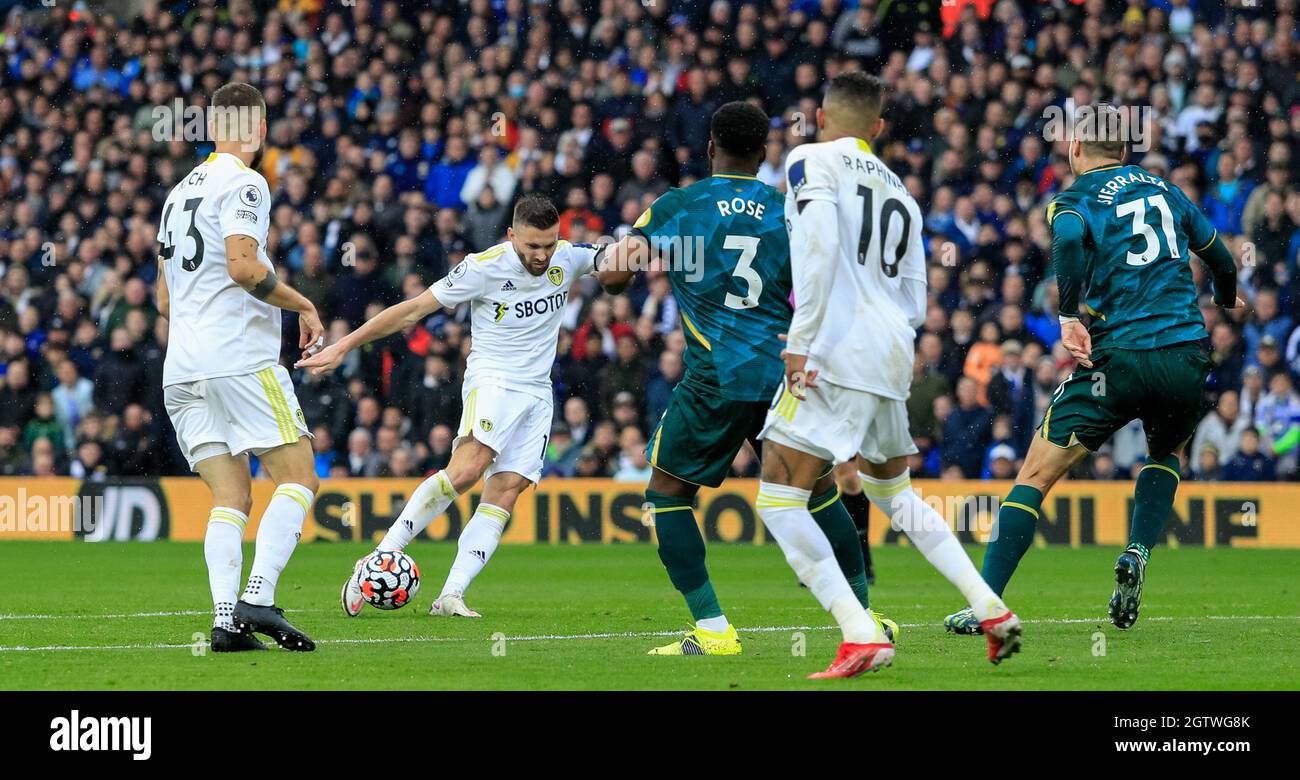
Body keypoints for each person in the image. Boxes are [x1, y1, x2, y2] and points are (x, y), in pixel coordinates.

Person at [599, 101, 892, 657]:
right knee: (819, 491)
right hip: (784, 375)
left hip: (715, 377)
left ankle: (712, 630)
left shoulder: (677, 206)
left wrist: (622, 256)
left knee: (666, 495)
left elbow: (615, 277)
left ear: (709, 149)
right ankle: (864, 620)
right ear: (764, 154)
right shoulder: (791, 209)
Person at [756, 72, 1021, 678]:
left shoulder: (809, 159)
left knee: (777, 495)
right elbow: (916, 293)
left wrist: (803, 342)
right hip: (891, 352)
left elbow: (818, 247)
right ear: (877, 128)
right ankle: (991, 607)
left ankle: (859, 632)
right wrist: (891, 346)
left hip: (833, 349)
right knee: (895, 494)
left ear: (821, 119)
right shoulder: (902, 190)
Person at [945, 127, 1244, 635]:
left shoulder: (1075, 197)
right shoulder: (1167, 189)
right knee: (1167, 452)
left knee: (1035, 476)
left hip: (1119, 357)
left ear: (1075, 149)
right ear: (1125, 152)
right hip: (1184, 354)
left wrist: (1066, 314)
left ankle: (987, 603)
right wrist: (1223, 294)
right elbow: (1221, 258)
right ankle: (1137, 549)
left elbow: (1064, 238)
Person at [301, 195, 621, 618]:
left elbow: (614, 259)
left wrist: (638, 242)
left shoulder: (570, 257)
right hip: (494, 379)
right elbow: (412, 310)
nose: (542, 255)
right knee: (469, 468)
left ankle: (450, 595)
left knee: (506, 491)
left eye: (548, 244)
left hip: (538, 392)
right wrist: (344, 345)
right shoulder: (483, 266)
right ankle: (378, 556)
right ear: (511, 236)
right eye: (531, 246)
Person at [157, 82, 324, 653]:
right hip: (237, 360)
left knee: (231, 498)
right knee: (300, 477)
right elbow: (244, 267)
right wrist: (302, 304)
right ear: (256, 127)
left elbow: (163, 303)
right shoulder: (247, 182)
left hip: (182, 369)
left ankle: (226, 622)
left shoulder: (178, 193)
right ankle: (259, 595)